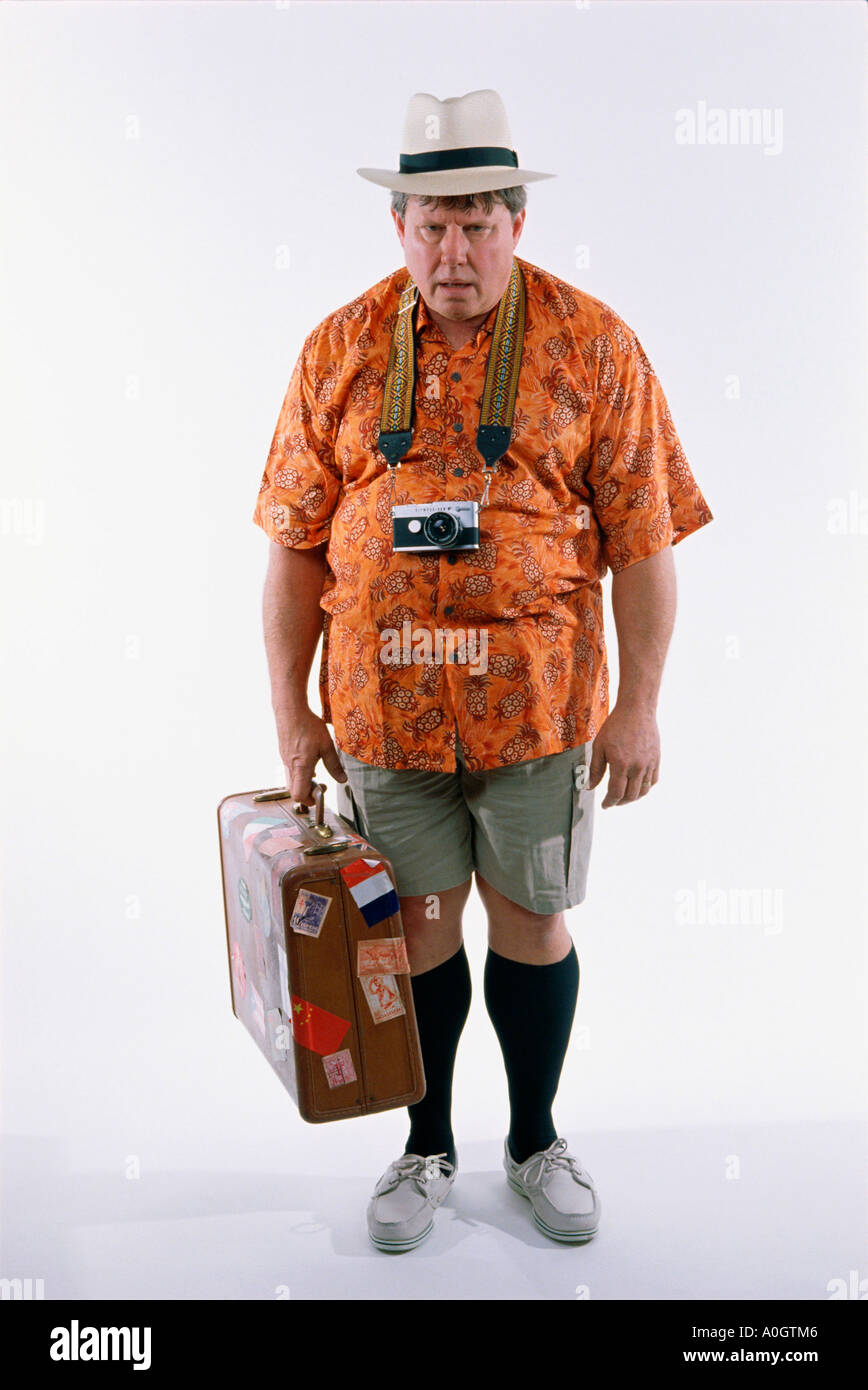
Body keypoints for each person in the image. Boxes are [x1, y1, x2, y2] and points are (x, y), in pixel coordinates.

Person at [254, 89, 713, 1252]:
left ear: (515, 220)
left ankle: (534, 1139)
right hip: (382, 712)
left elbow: (647, 545)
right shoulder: (340, 349)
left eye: (476, 223)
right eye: (430, 223)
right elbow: (293, 549)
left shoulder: (594, 346)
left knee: (533, 919)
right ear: (397, 225)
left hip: (544, 715)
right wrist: (292, 716)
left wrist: (640, 708)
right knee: (412, 927)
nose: (452, 250)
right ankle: (425, 1145)